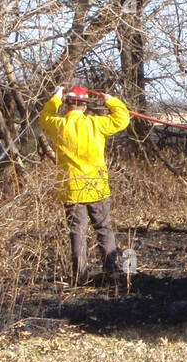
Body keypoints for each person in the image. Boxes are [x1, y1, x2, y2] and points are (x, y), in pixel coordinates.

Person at [40, 85, 131, 284]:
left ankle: (79, 277)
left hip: (71, 190)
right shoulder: (96, 124)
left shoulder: (58, 125)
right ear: (84, 106)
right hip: (97, 187)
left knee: (77, 232)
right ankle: (112, 273)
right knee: (104, 228)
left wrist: (56, 97)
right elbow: (123, 119)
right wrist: (110, 100)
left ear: (67, 105)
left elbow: (44, 116)